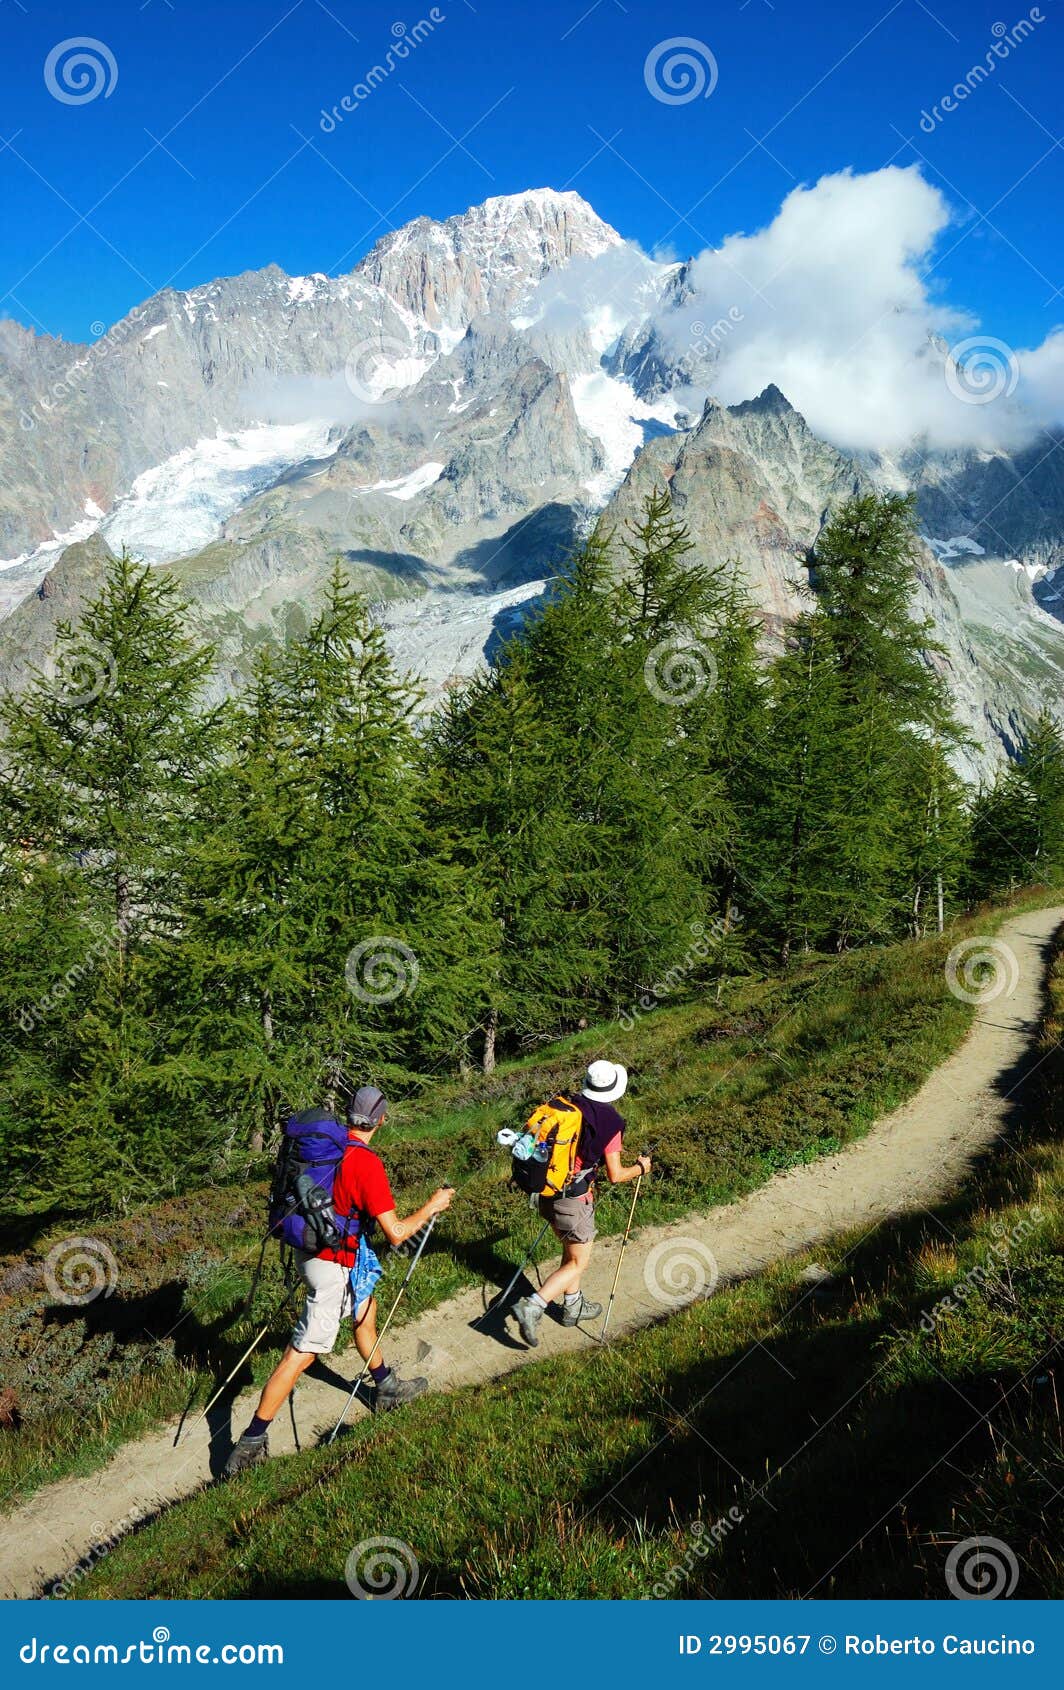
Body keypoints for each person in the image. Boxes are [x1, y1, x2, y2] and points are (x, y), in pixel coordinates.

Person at [225, 1085, 454, 1476]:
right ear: (382, 1119)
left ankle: (385, 1387)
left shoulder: (327, 1146)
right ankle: (249, 1444)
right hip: (334, 1264)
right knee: (302, 1353)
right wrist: (433, 1206)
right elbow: (396, 1233)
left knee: (366, 1306)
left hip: (310, 1252)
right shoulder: (366, 1163)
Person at [511, 1059, 649, 1346]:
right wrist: (641, 1168)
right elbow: (616, 1174)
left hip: (547, 1193)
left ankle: (573, 1306)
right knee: (578, 1263)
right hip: (573, 1200)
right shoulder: (610, 1122)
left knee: (570, 1253)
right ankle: (533, 1305)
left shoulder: (568, 1105)